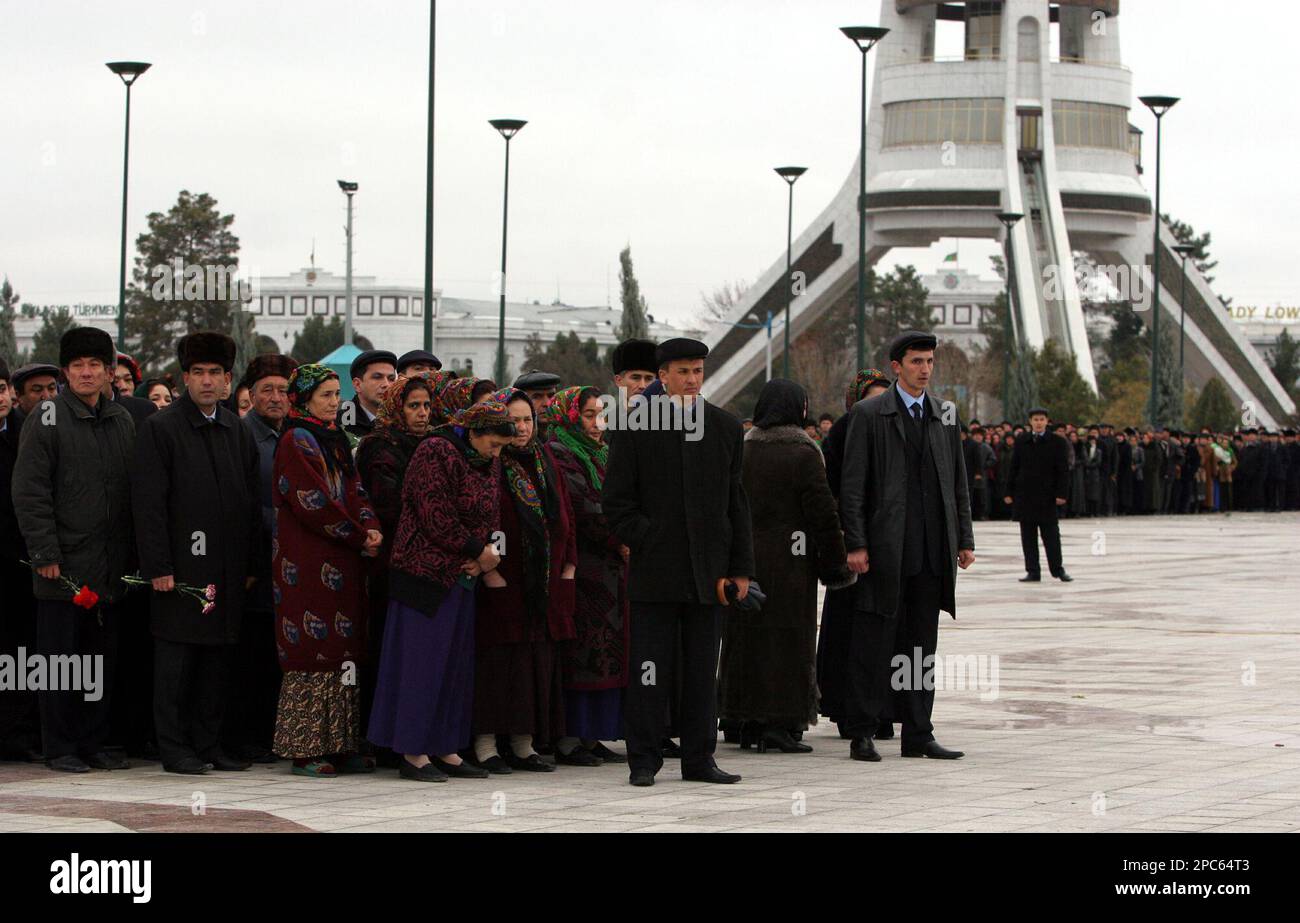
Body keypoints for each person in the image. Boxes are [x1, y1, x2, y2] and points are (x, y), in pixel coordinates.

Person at [603, 337, 754, 786]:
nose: (691, 380)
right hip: (655, 573)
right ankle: (644, 759)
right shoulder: (634, 428)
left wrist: (741, 568)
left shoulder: (725, 428)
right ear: (663, 376)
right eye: (682, 372)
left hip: (710, 576)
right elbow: (616, 504)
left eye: (697, 371)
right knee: (649, 670)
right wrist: (648, 540)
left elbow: (737, 504)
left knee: (700, 672)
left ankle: (699, 759)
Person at [836, 330, 975, 763]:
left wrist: (965, 538)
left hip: (932, 554)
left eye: (930, 361)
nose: (925, 369)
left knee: (920, 648)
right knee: (873, 644)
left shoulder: (944, 415)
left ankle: (919, 732)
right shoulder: (869, 414)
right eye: (917, 362)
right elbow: (853, 487)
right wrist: (855, 543)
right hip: (885, 552)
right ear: (897, 367)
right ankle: (861, 731)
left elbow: (958, 484)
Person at [367, 397, 516, 782]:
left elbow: (491, 510)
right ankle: (413, 752)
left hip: (462, 575)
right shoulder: (436, 450)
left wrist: (486, 553)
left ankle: (445, 747)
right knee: (422, 665)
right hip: (424, 576)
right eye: (493, 444)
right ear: (474, 432)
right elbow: (435, 513)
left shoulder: (487, 459)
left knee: (454, 666)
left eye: (501, 447)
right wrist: (475, 550)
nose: (496, 453)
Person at [131, 333, 260, 775]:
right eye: (198, 373)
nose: (207, 382)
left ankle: (209, 744)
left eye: (216, 374)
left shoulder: (235, 430)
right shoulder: (161, 428)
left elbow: (248, 502)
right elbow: (148, 504)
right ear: (186, 377)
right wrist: (159, 566)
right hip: (181, 573)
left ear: (228, 381)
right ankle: (174, 747)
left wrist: (249, 566)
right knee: (177, 664)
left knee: (217, 662)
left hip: (226, 571)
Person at [12, 328, 135, 773]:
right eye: (78, 365)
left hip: (110, 565)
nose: (87, 373)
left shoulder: (121, 420)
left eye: (95, 365)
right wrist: (44, 553)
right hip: (62, 567)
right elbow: (30, 491)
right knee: (62, 661)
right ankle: (60, 746)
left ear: (108, 371)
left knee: (101, 659)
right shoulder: (45, 417)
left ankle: (95, 741)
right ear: (66, 372)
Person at [719, 378, 852, 754]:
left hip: (745, 561)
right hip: (792, 565)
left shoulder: (742, 450)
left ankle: (741, 718)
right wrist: (836, 563)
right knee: (787, 640)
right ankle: (780, 722)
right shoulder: (803, 452)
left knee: (745, 638)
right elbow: (822, 513)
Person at [271, 364, 382, 777]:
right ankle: (305, 749)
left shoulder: (334, 439)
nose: (335, 403)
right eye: (325, 395)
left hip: (343, 560)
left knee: (344, 652)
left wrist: (371, 527)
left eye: (337, 394)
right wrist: (358, 535)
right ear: (303, 400)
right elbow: (311, 501)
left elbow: (355, 491)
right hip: (308, 565)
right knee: (311, 653)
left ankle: (341, 743)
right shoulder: (296, 440)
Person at [469, 388, 577, 773]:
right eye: (513, 420)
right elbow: (478, 517)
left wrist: (569, 566)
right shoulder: (489, 460)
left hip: (544, 580)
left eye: (527, 419)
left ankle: (524, 742)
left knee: (535, 660)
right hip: (503, 577)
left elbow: (565, 516)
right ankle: (486, 743)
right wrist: (491, 572)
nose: (521, 428)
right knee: (499, 661)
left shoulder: (545, 460)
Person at [545, 385, 631, 766]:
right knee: (581, 654)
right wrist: (621, 538)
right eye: (589, 416)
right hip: (584, 570)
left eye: (601, 415)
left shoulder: (603, 453)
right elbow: (585, 507)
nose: (597, 425)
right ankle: (570, 736)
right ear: (569, 417)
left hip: (611, 571)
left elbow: (622, 498)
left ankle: (593, 734)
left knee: (605, 654)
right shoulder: (559, 453)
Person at [355, 372, 442, 739]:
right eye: (414, 406)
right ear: (397, 408)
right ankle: (383, 735)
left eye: (426, 406)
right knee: (388, 649)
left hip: (429, 563)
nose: (422, 413)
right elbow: (388, 503)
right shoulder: (381, 445)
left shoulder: (433, 444)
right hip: (392, 562)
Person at [224, 353, 298, 763]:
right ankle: (245, 736)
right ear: (250, 394)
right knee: (249, 656)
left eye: (283, 390)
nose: (275, 398)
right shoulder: (240, 435)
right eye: (267, 390)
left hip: (292, 569)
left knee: (279, 656)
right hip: (254, 566)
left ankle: (274, 734)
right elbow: (243, 505)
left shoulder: (298, 435)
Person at [817, 368, 896, 740]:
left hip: (889, 545)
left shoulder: (894, 430)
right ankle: (847, 708)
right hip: (851, 545)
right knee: (848, 633)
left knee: (883, 631)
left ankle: (882, 708)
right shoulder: (841, 435)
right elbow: (832, 490)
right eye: (869, 397)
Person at [0, 359, 42, 762]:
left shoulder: (24, 432)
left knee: (19, 651)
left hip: (19, 560)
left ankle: (19, 732)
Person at [1005, 408, 1072, 582]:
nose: (1039, 422)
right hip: (1025, 495)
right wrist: (1009, 491)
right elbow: (1014, 467)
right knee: (1028, 537)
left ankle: (1058, 569)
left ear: (1047, 421)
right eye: (1035, 419)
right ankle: (1033, 571)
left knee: (1051, 536)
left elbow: (1063, 471)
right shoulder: (1022, 440)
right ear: (1030, 421)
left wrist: (1061, 493)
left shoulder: (1057, 442)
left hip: (1047, 496)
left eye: (1042, 419)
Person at [345, 349, 398, 440]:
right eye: (377, 377)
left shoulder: (404, 420)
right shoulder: (342, 424)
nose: (386, 384)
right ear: (357, 385)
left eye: (391, 378)